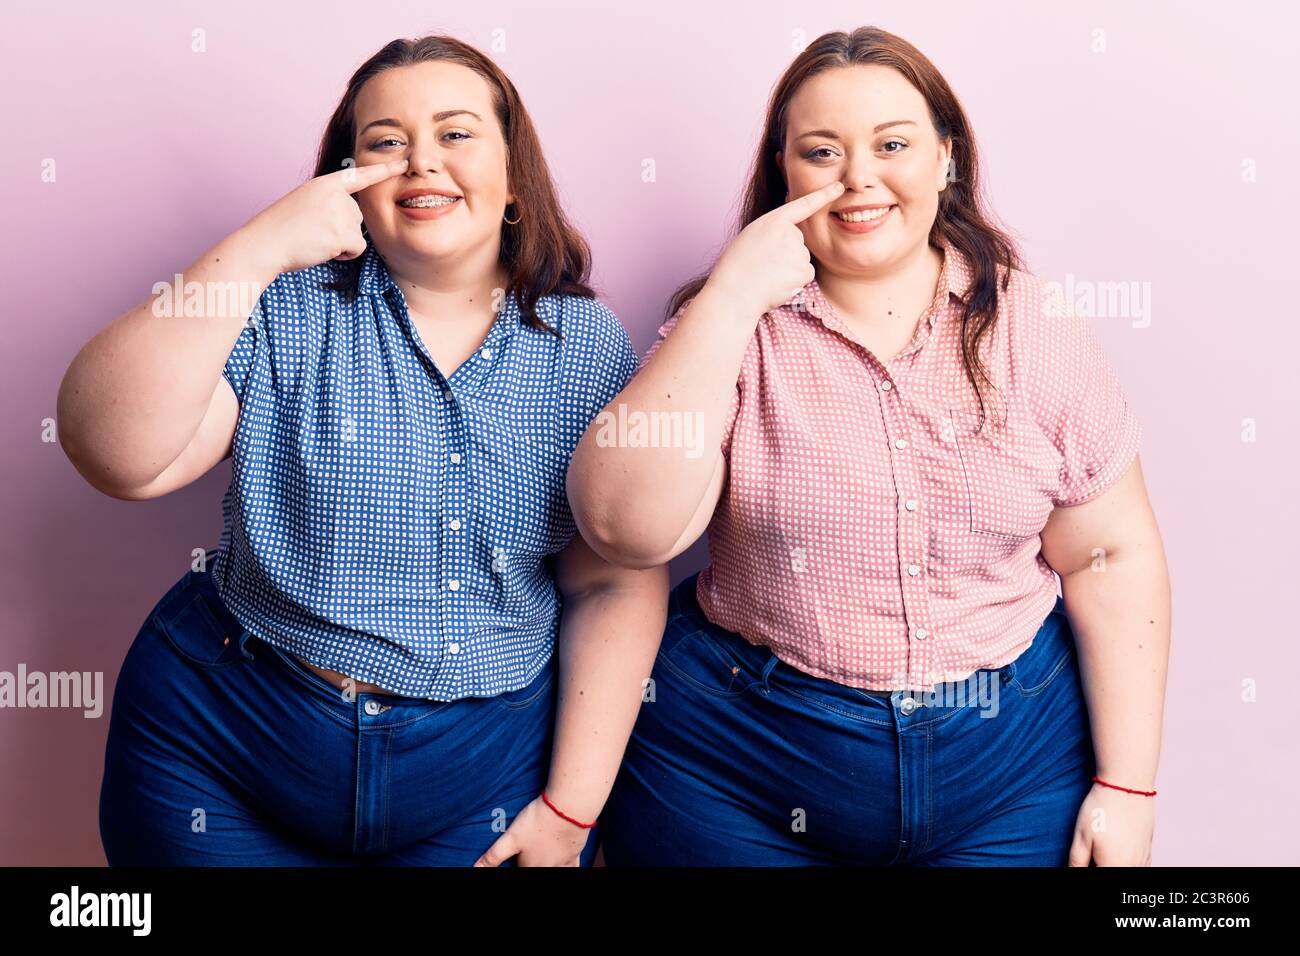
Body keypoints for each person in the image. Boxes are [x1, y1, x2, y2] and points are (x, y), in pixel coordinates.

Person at [58, 34, 667, 866]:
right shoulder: (283, 306)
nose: (421, 161)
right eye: (386, 141)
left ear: (515, 178)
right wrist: (262, 243)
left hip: (473, 780)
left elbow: (611, 580)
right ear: (348, 181)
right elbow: (118, 455)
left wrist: (571, 809)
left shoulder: (586, 347)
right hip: (220, 747)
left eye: (455, 134)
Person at [568, 26, 1171, 866]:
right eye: (822, 152)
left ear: (945, 158)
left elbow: (1109, 550)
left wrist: (1130, 787)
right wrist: (734, 292)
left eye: (892, 144)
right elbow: (625, 529)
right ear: (784, 170)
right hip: (739, 765)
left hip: (1008, 766)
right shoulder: (726, 328)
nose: (858, 178)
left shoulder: (1038, 329)